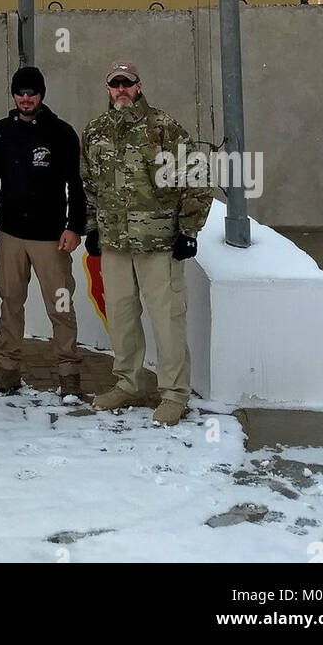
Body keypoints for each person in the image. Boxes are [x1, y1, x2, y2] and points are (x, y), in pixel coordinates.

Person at [81, 61, 211, 426]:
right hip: (115, 243)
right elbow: (88, 183)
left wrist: (189, 230)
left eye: (128, 83)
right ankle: (128, 382)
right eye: (114, 83)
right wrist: (92, 226)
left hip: (159, 242)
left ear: (139, 86)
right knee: (121, 317)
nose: (121, 89)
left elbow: (195, 177)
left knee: (167, 319)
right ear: (107, 89)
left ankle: (174, 393)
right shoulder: (95, 132)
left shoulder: (164, 128)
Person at [0, 65, 85, 401]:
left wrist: (75, 227)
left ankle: (68, 372)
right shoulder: (2, 132)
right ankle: (8, 368)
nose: (25, 99)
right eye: (20, 93)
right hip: (12, 236)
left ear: (41, 95)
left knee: (61, 304)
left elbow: (76, 186)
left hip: (51, 238)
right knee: (10, 302)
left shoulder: (61, 133)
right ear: (14, 96)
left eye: (31, 93)